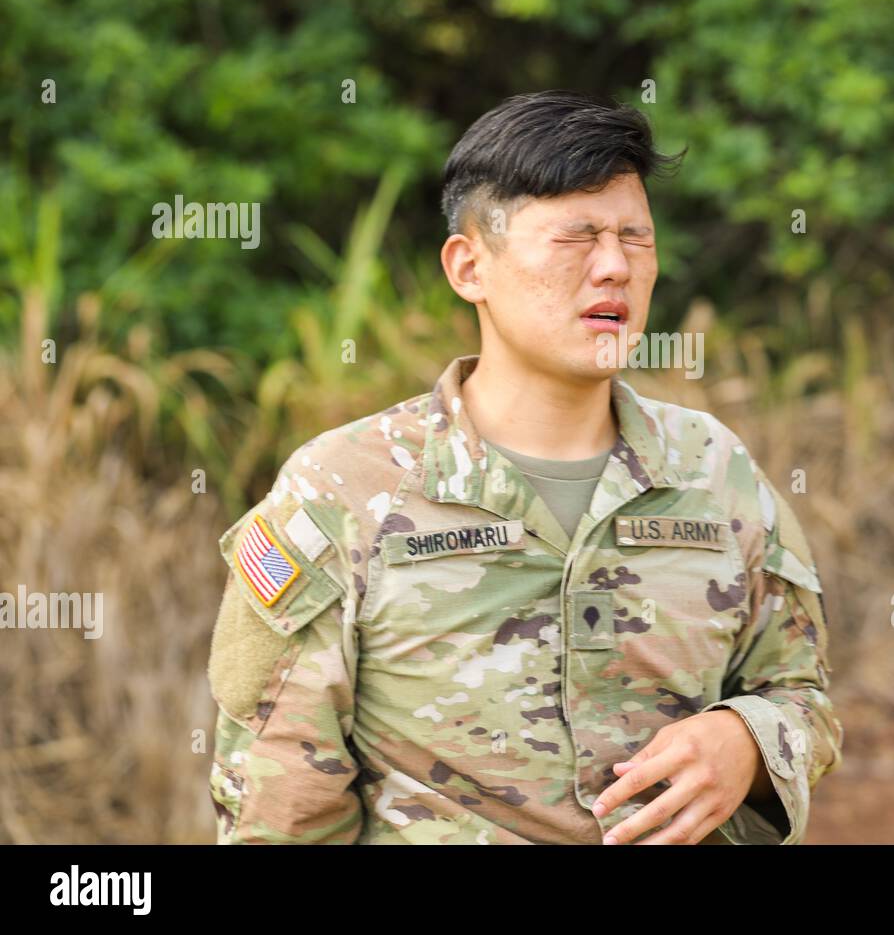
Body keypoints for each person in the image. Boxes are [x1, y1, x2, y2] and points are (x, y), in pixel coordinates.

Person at [206, 89, 844, 845]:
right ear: (469, 266)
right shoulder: (345, 488)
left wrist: (747, 738)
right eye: (576, 239)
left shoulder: (713, 468)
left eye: (634, 239)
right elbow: (278, 803)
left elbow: (801, 694)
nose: (614, 267)